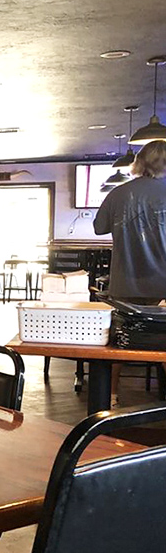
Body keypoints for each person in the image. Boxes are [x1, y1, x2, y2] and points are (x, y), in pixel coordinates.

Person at [94, 139, 166, 404]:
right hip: (164, 286)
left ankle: (110, 398)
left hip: (125, 284)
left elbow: (99, 228)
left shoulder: (119, 194)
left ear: (139, 163)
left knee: (118, 343)